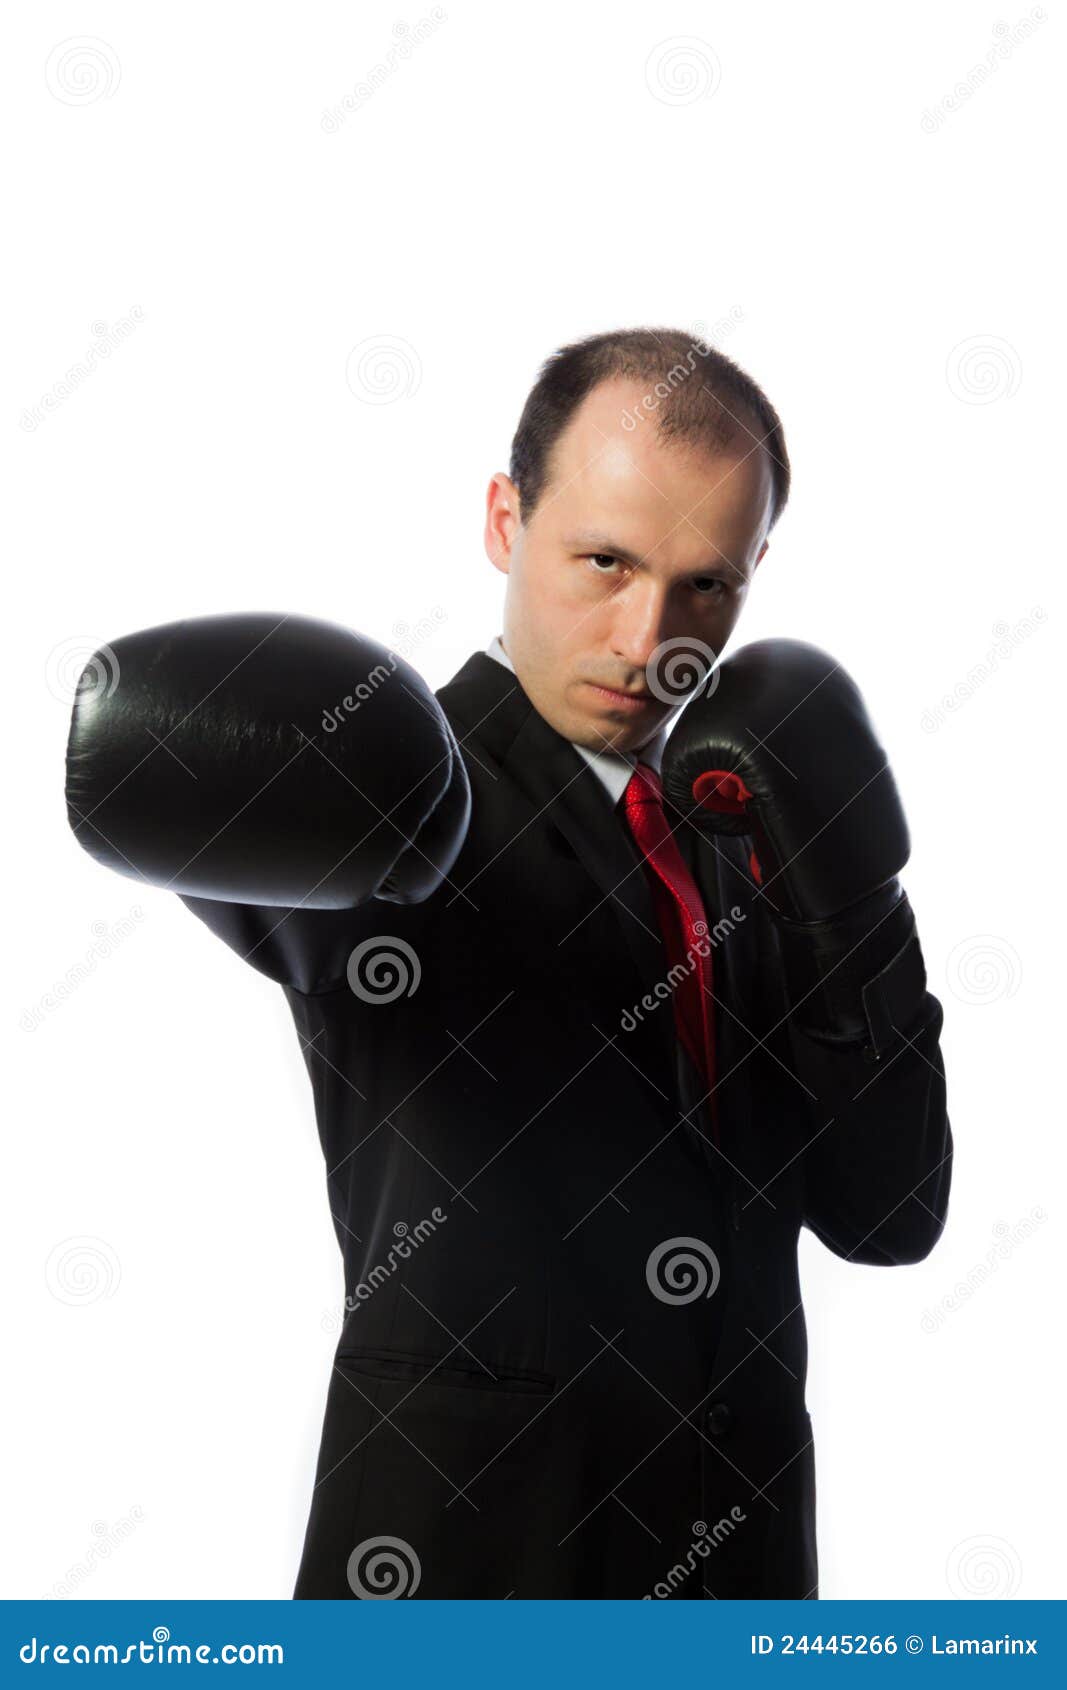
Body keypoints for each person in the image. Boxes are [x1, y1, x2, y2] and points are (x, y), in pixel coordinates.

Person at [65, 326, 952, 1600]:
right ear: (502, 518)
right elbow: (195, 801)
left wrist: (852, 901)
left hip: (740, 1576)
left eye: (706, 586)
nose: (650, 639)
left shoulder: (747, 829)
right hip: (464, 1568)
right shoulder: (393, 801)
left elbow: (889, 1215)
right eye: (603, 561)